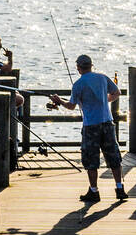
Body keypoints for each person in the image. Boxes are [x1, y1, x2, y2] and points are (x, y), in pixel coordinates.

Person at [48, 55, 126, 204]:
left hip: (91, 126)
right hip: (107, 123)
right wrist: (105, 100)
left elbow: (71, 106)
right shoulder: (103, 77)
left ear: (78, 67)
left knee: (91, 159)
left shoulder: (78, 84)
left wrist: (58, 101)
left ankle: (94, 191)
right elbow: (117, 93)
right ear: (91, 65)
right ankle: (119, 188)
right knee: (114, 157)